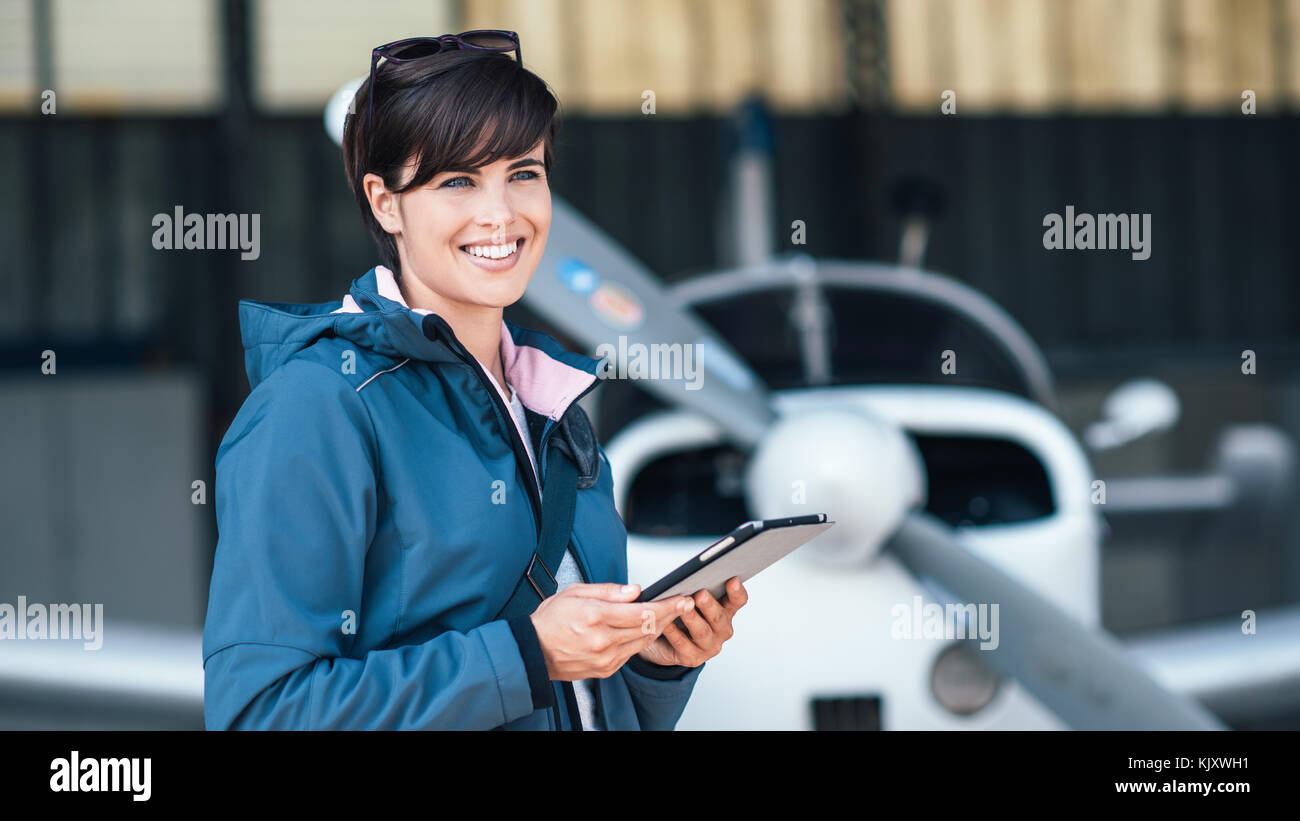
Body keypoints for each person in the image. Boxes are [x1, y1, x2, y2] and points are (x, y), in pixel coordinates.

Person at [201, 31, 748, 730]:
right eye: (457, 180)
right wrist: (524, 655)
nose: (501, 214)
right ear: (385, 201)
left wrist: (658, 659)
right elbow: (261, 712)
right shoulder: (317, 407)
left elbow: (579, 698)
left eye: (524, 172)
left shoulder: (556, 405)